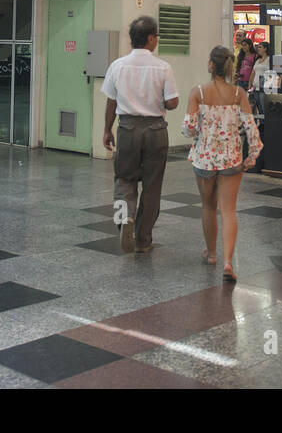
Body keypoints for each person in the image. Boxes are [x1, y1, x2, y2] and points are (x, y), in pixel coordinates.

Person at [183, 45, 263, 282]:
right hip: (231, 159)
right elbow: (251, 129)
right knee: (228, 210)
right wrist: (253, 155)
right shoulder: (239, 94)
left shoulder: (198, 92)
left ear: (210, 65)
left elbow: (188, 129)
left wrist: (200, 131)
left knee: (208, 207)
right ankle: (229, 262)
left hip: (204, 158)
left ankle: (211, 254)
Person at [101, 15, 180, 254]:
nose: (156, 40)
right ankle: (144, 239)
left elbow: (111, 102)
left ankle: (124, 220)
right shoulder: (163, 67)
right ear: (149, 38)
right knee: (152, 185)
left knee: (123, 179)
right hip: (156, 130)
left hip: (126, 128)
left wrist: (107, 129)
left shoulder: (117, 65)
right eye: (156, 36)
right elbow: (173, 102)